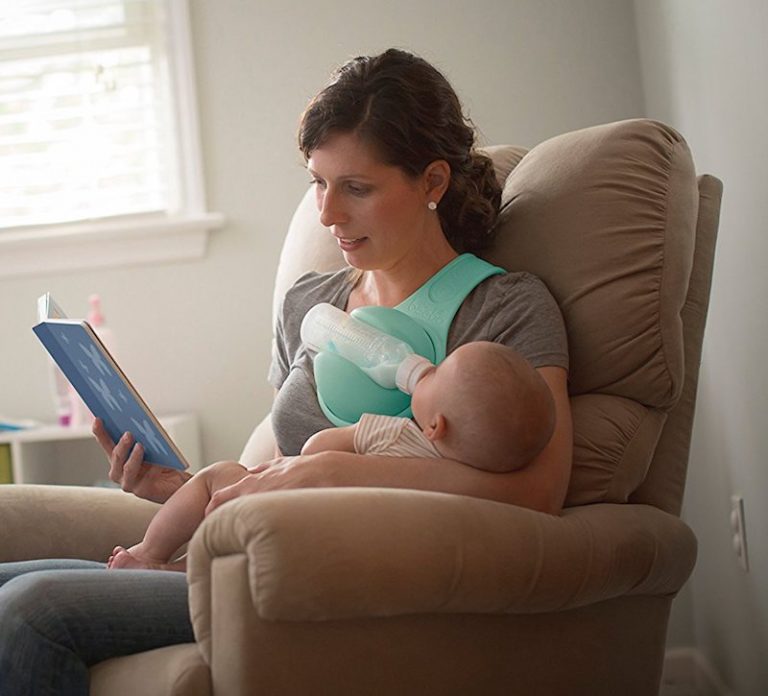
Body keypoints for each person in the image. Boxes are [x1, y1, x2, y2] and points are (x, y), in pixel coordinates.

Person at [0, 48, 572, 694]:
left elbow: (541, 492)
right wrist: (175, 486)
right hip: (240, 541)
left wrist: (333, 469)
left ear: (433, 183)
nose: (327, 214)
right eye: (317, 183)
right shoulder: (312, 301)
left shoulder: (504, 310)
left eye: (356, 188)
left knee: (32, 612)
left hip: (321, 571)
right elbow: (261, 468)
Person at [107, 341, 555, 572]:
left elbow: (313, 451)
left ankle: (148, 554)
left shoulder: (398, 432)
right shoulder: (467, 495)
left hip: (293, 514)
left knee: (219, 475)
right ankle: (169, 574)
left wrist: (338, 452)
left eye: (436, 371)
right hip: (318, 546)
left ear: (435, 427)